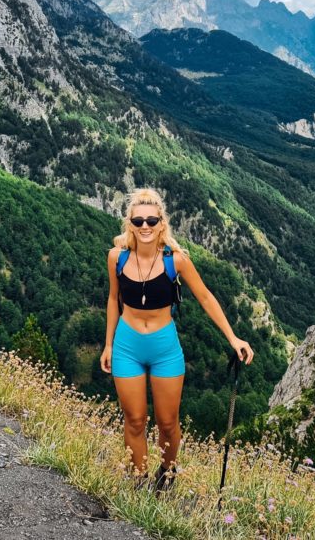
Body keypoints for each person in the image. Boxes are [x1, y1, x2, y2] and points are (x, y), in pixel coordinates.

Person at [99, 187, 254, 493]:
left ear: (161, 224)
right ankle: (138, 482)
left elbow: (206, 297)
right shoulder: (116, 257)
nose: (145, 226)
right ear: (130, 224)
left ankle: (167, 474)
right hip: (127, 345)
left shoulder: (176, 261)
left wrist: (233, 338)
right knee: (134, 419)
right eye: (139, 221)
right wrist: (108, 344)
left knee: (167, 423)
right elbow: (113, 299)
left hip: (165, 349)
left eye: (151, 221)